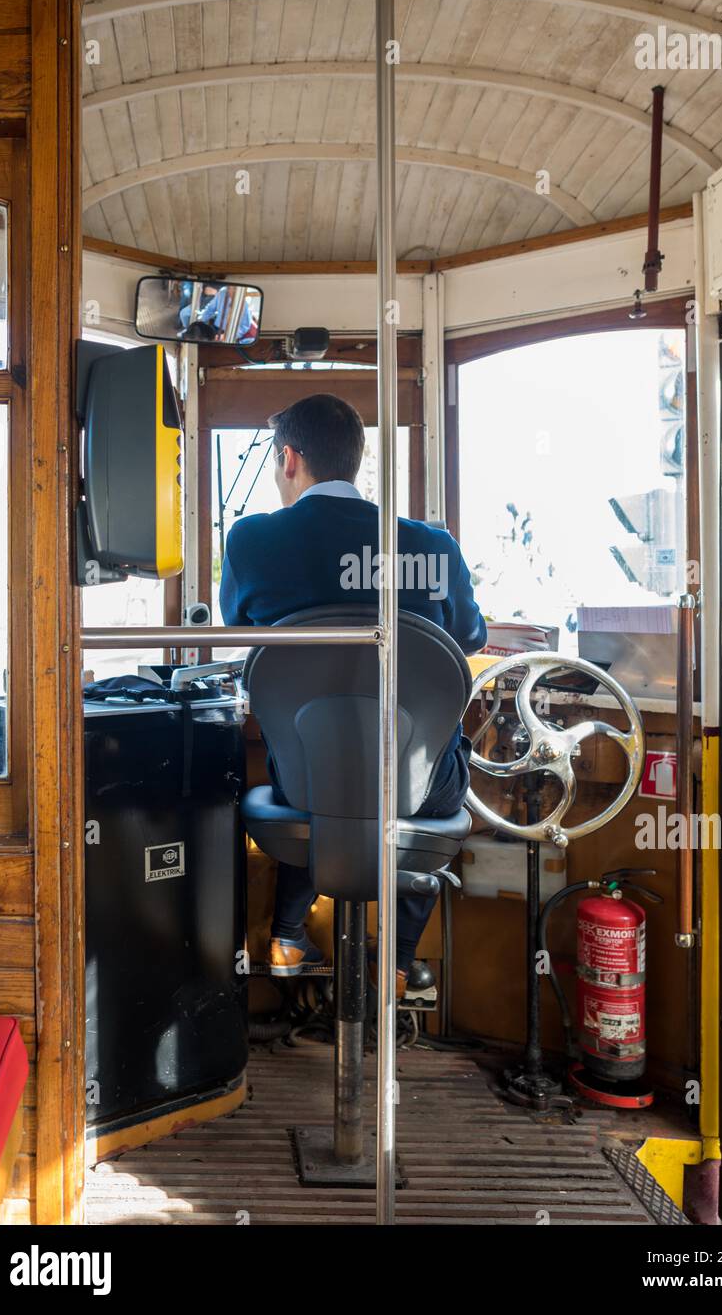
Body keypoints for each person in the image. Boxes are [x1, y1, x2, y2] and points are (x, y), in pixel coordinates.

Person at [220, 393, 487, 998]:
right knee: (429, 773)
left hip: (308, 780)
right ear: (356, 460)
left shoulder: (252, 541)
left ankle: (288, 936)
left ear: (289, 459)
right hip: (418, 786)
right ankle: (396, 960)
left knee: (317, 772)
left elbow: (240, 634)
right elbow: (470, 636)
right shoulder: (431, 544)